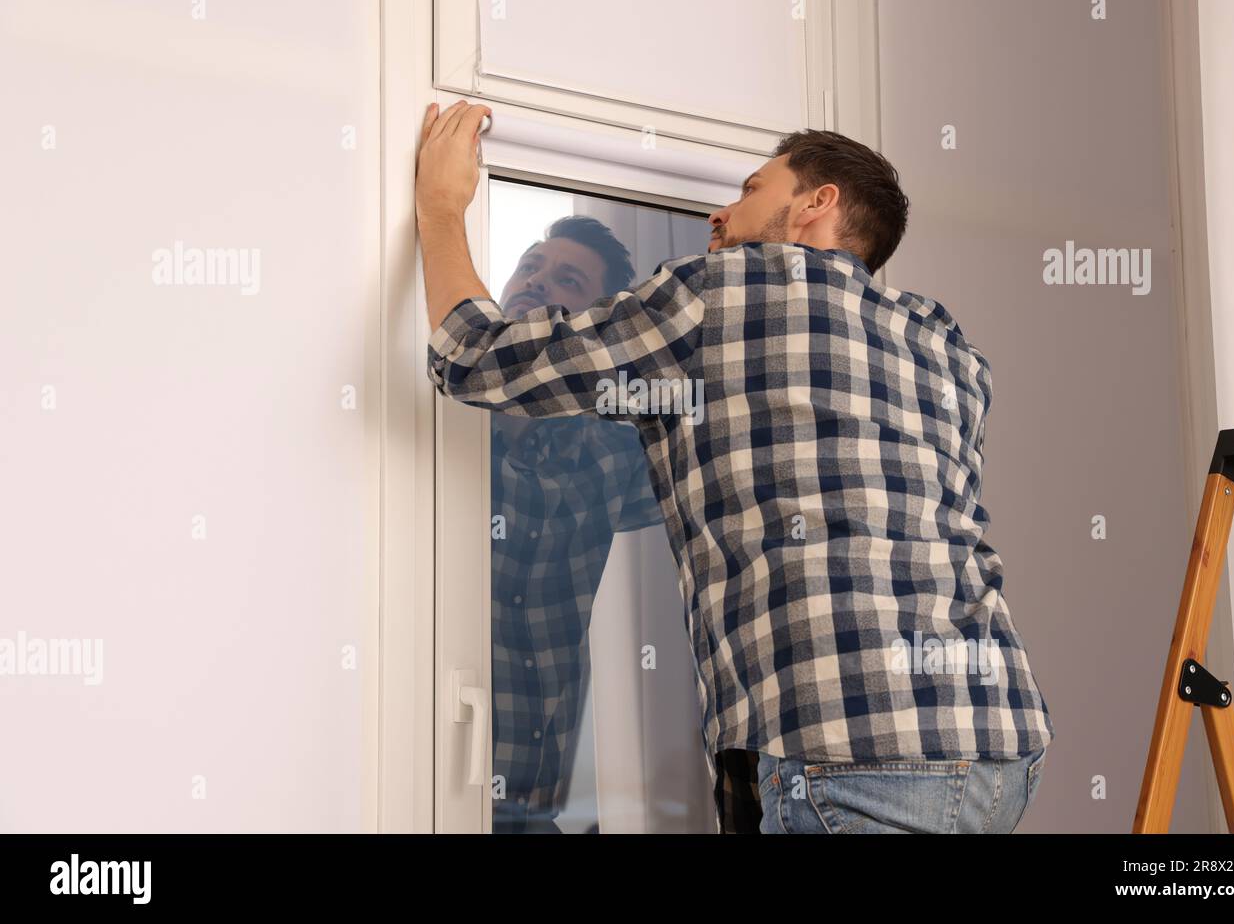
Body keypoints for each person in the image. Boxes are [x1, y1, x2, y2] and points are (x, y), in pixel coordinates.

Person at [416, 99, 1054, 834]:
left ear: (818, 203)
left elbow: (475, 357)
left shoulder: (717, 296)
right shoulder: (943, 342)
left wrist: (440, 210)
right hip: (1001, 738)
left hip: (856, 746)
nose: (720, 215)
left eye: (751, 190)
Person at [483, 215, 666, 833]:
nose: (535, 281)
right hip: (426, 782)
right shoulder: (437, 437)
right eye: (530, 265)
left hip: (538, 803)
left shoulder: (607, 454)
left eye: (567, 279)